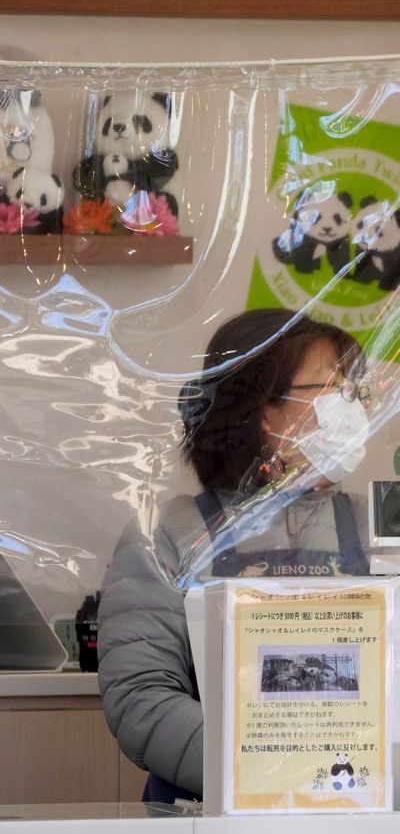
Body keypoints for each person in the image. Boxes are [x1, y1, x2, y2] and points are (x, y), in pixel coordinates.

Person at [97, 308, 375, 802]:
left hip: (356, 797)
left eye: (355, 392)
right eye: (333, 391)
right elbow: (141, 698)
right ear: (262, 410)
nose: (352, 409)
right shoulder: (168, 536)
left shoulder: (376, 528)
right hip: (208, 802)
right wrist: (271, 775)